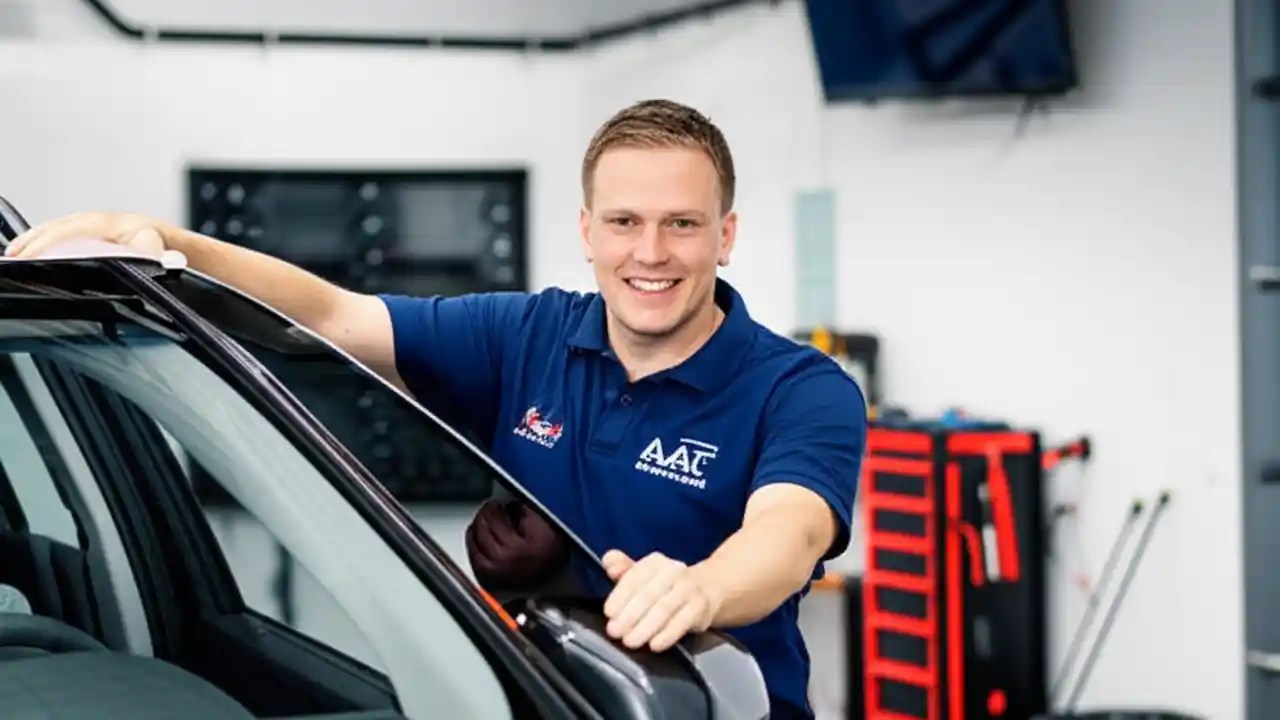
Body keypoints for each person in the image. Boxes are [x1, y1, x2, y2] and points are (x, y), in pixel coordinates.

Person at [6, 98, 867, 719]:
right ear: (586, 231)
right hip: (534, 697)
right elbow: (333, 317)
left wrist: (701, 588)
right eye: (625, 222)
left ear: (725, 235)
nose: (650, 253)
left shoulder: (799, 386)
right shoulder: (525, 334)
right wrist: (173, 247)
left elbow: (785, 537)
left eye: (682, 224)